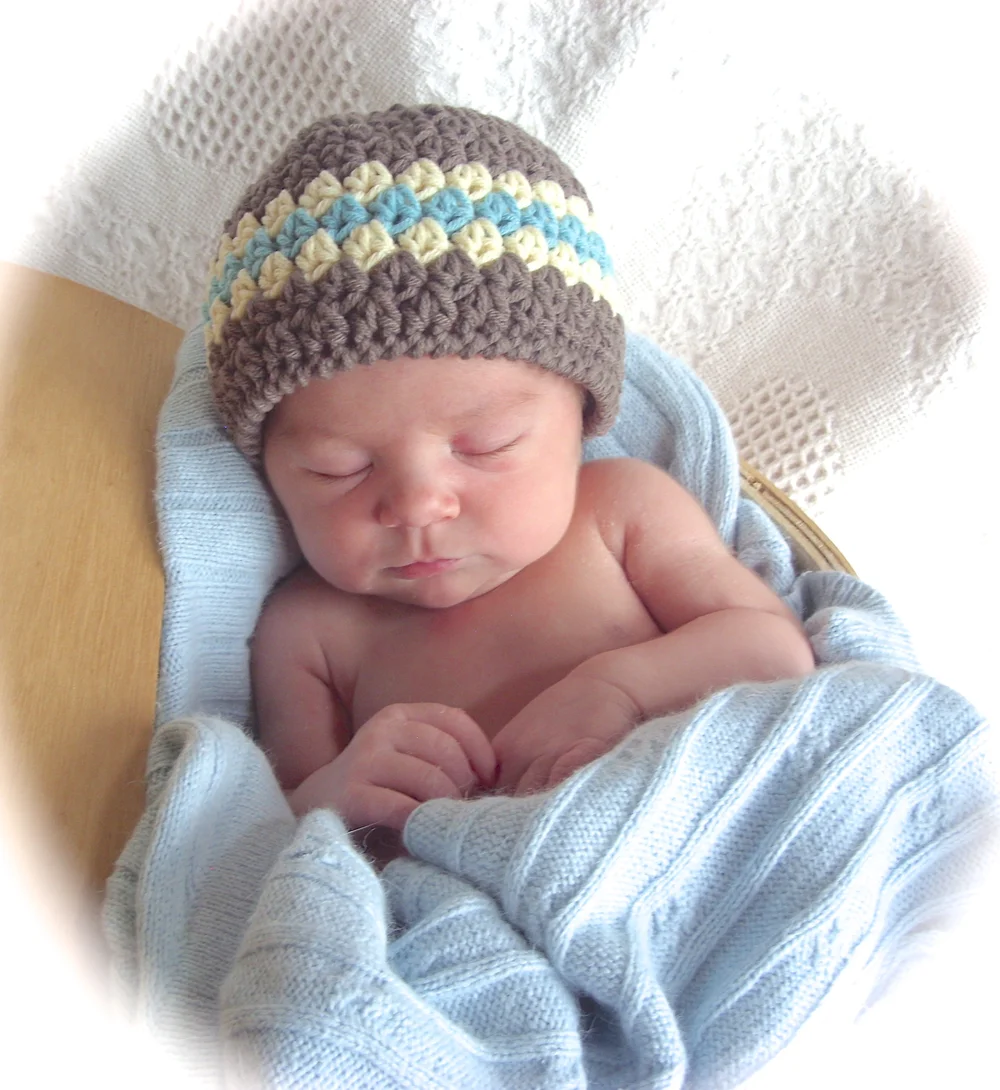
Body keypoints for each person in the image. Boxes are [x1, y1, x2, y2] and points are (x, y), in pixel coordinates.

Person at [203, 104, 814, 851]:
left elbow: (775, 650)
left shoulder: (620, 511)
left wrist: (619, 690)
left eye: (486, 446)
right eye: (340, 468)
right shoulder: (308, 631)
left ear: (580, 422)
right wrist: (339, 792)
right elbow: (279, 831)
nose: (418, 504)